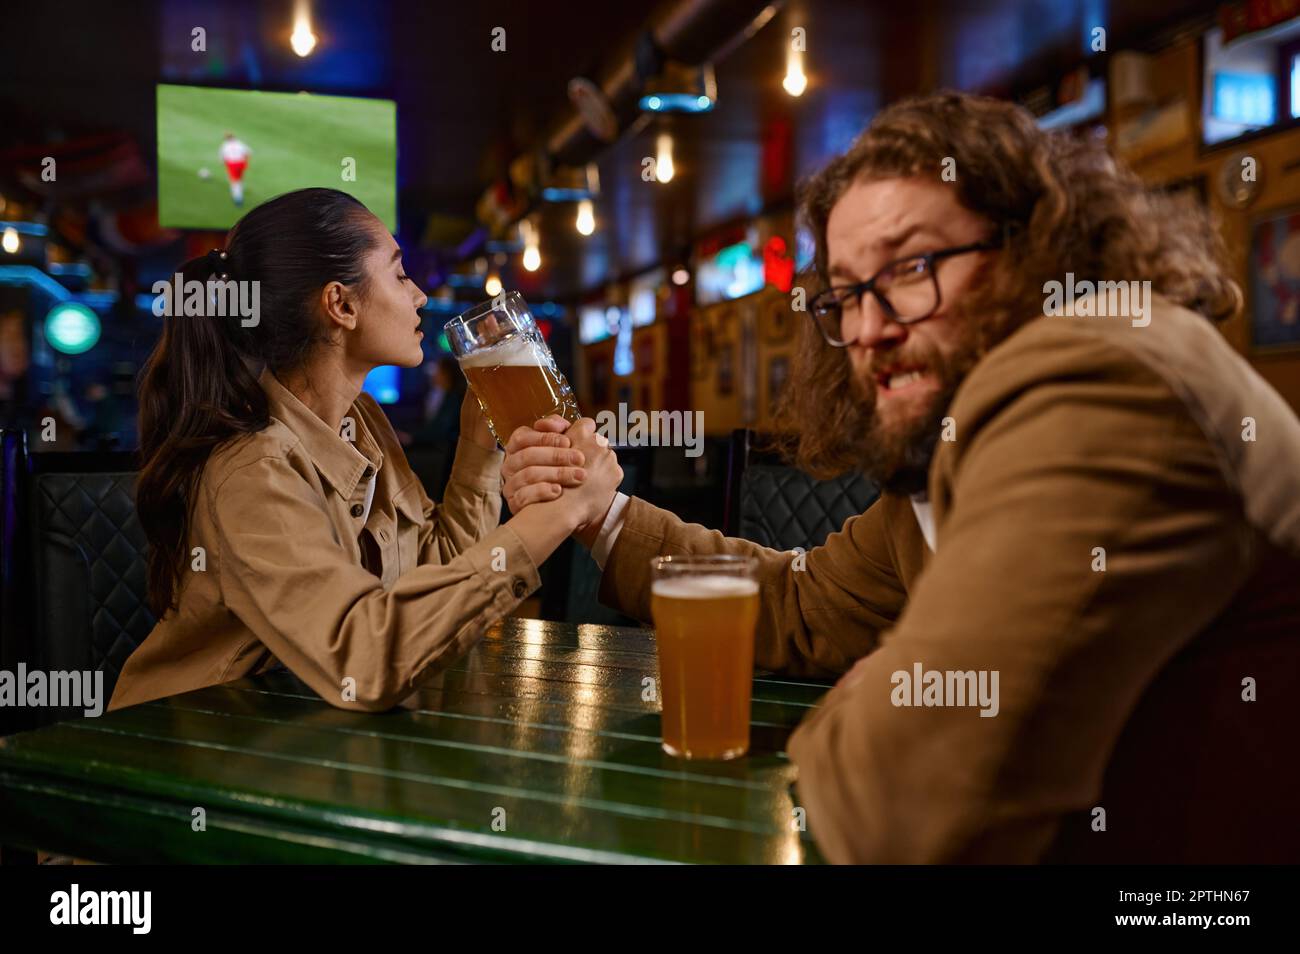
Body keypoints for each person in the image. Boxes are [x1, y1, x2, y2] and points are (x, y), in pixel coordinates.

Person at [505, 92, 1300, 862]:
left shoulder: (1093, 380)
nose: (868, 329)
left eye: (913, 267)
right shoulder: (952, 442)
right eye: (846, 293)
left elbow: (898, 806)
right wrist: (599, 513)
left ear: (1037, 249)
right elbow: (805, 606)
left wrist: (882, 690)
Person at [110, 188, 622, 712]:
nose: (420, 295)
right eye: (400, 274)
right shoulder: (252, 467)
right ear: (342, 304)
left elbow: (438, 571)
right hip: (189, 749)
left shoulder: (361, 423)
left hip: (299, 737)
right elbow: (365, 659)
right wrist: (564, 512)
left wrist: (480, 441)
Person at [220, 131, 252, 207]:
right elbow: (248, 152)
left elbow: (222, 159)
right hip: (241, 163)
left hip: (232, 164)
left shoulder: (225, 146)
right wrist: (245, 161)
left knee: (234, 182)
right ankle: (238, 194)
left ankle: (238, 199)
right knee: (239, 180)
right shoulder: (239, 143)